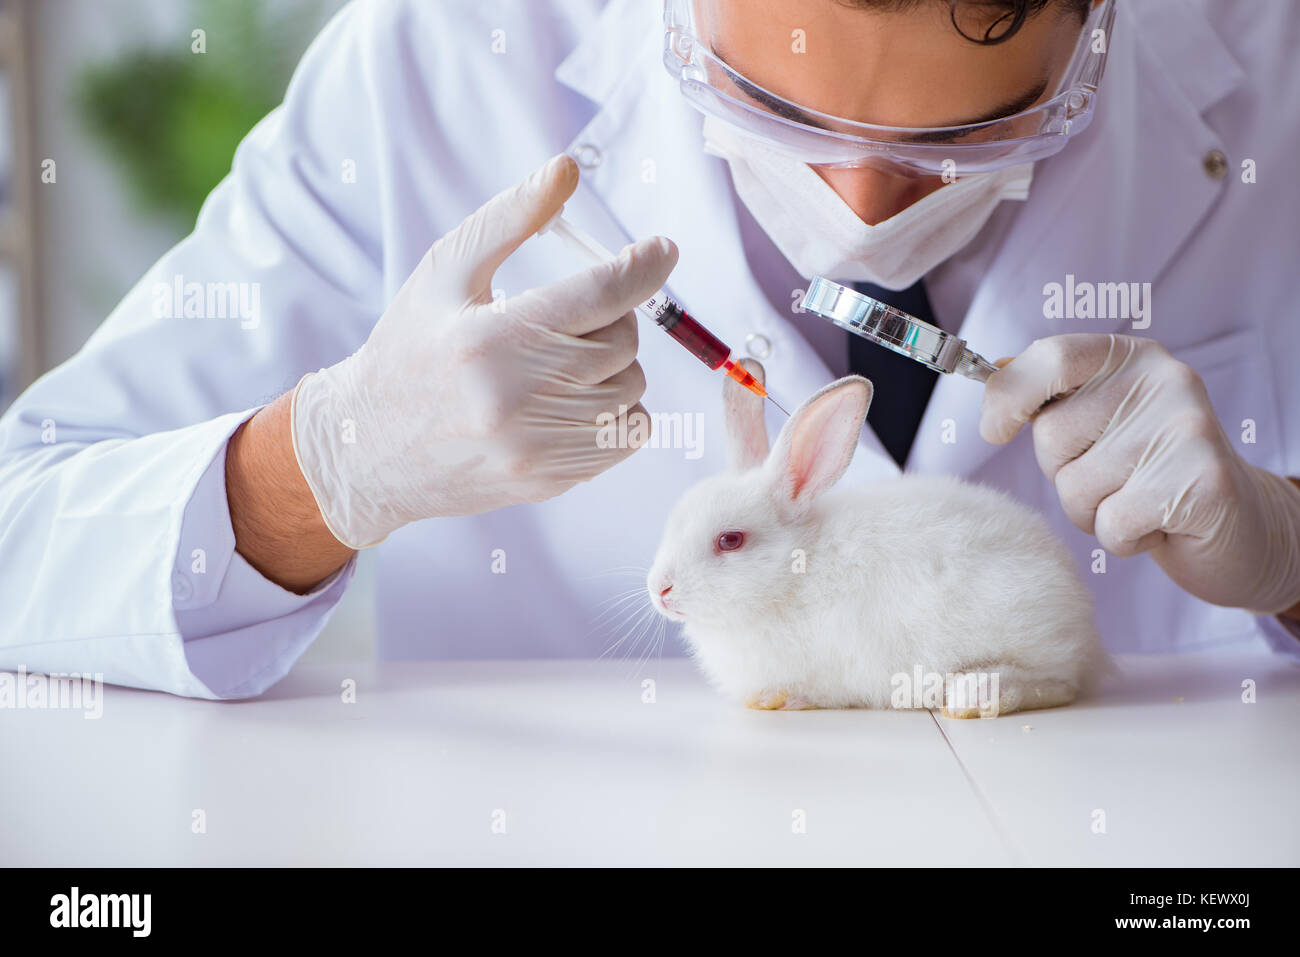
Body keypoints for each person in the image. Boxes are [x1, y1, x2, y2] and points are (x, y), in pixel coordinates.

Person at [1, 0, 1297, 699]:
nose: (857, 200)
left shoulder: (1270, 73)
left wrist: (1289, 550)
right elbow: (24, 530)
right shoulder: (434, 66)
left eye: (968, 146)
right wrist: (321, 465)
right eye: (771, 111)